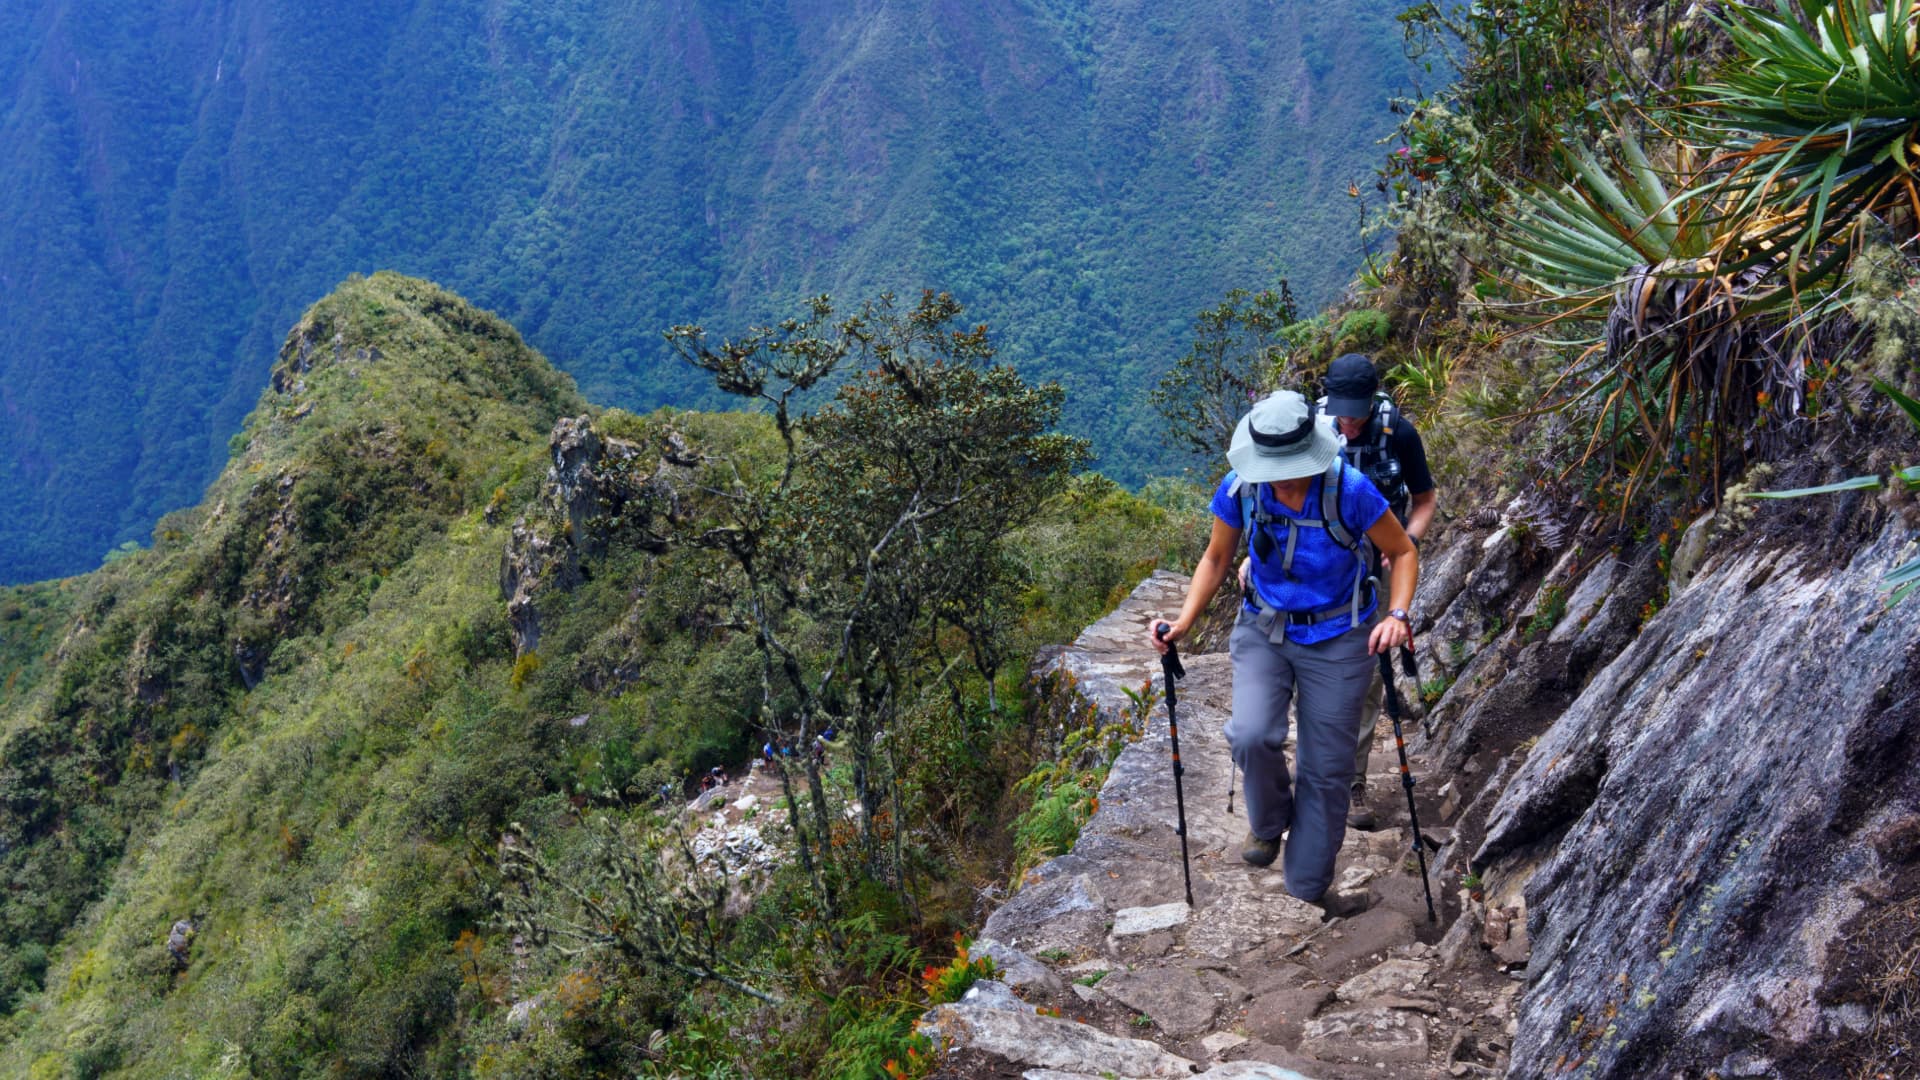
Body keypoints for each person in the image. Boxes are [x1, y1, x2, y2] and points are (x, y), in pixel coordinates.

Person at [1151, 389, 1417, 905]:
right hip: (1264, 626)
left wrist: (1398, 616)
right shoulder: (1242, 488)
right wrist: (1183, 623)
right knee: (1250, 734)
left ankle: (1309, 886)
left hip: (1340, 634)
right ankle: (1270, 823)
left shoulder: (1350, 490)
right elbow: (1215, 557)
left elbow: (1402, 551)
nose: (1281, 475)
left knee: (1327, 768)